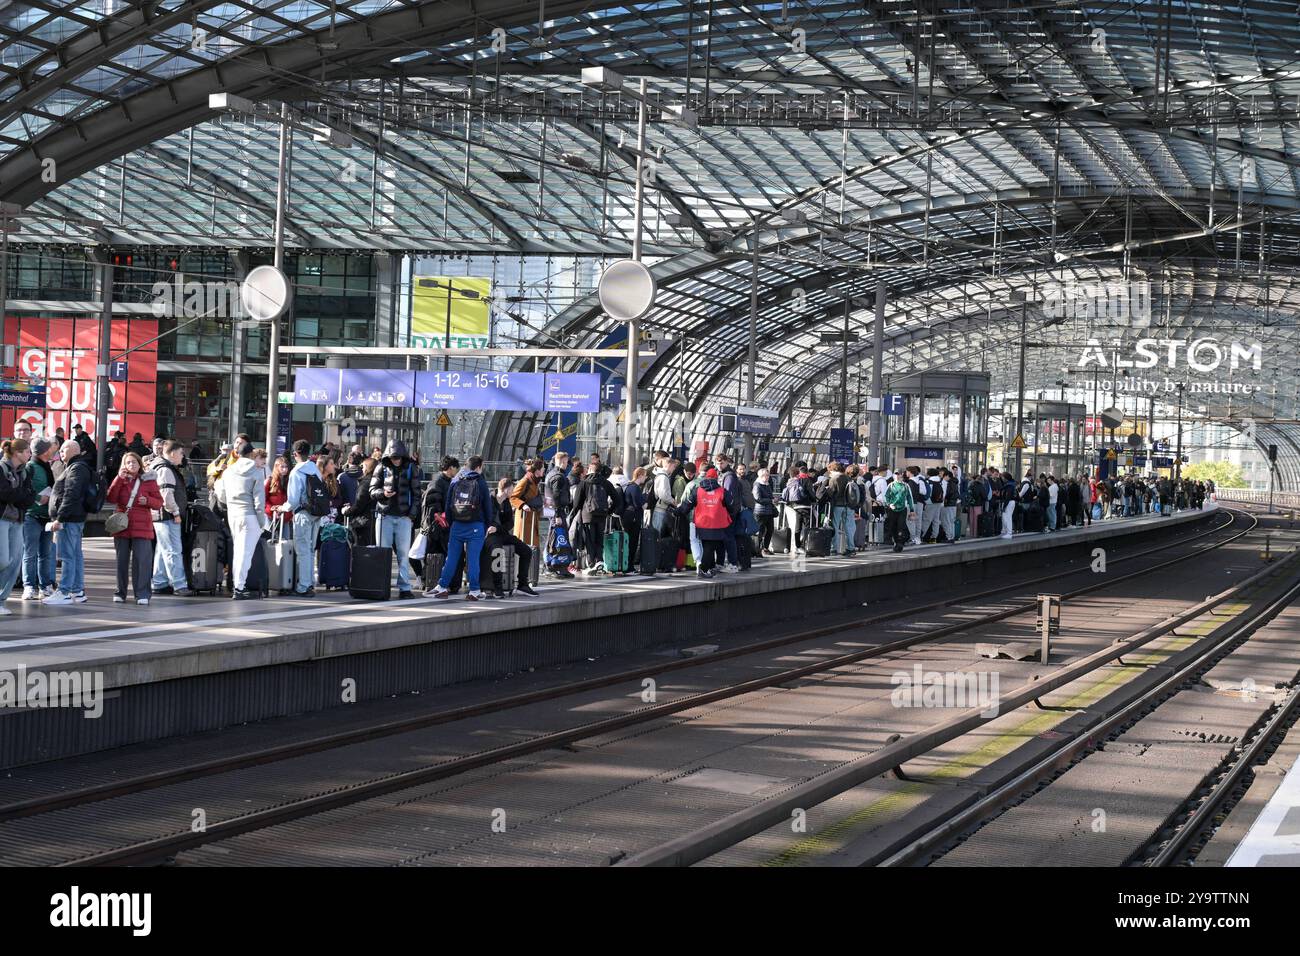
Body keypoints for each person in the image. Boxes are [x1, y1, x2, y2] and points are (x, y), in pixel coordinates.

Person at [431, 456, 495, 601]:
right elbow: (487, 507)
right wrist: (486, 525)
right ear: (479, 467)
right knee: (473, 559)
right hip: (476, 526)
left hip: (457, 525)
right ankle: (474, 590)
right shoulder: (480, 482)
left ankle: (442, 587)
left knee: (452, 558)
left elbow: (448, 504)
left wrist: (452, 523)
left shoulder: (456, 480)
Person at [105, 452, 163, 605]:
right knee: (121, 561)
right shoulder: (120, 480)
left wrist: (147, 500)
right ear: (123, 465)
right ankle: (120, 592)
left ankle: (142, 594)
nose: (131, 465)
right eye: (128, 462)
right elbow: (111, 498)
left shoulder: (148, 481)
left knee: (142, 562)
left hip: (142, 526)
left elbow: (158, 502)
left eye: (134, 462)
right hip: (122, 526)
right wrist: (118, 479)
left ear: (140, 464)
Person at [43, 439, 93, 605]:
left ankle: (64, 591)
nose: (61, 453)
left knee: (67, 556)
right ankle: (77, 591)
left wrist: (60, 518)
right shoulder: (79, 467)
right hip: (75, 518)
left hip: (69, 519)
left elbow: (71, 494)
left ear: (73, 450)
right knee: (75, 554)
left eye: (63, 450)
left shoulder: (76, 468)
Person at [216, 441, 268, 600]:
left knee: (238, 551)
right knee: (246, 554)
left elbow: (221, 495)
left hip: (233, 515)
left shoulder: (228, 471)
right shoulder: (257, 471)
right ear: (252, 454)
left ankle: (237, 585)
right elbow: (259, 501)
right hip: (250, 515)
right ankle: (239, 587)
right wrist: (262, 522)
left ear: (237, 454)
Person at [371, 439, 420, 599]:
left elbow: (417, 493)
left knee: (403, 554)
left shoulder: (411, 468)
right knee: (383, 553)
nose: (396, 460)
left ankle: (404, 587)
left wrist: (411, 516)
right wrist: (382, 494)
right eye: (393, 457)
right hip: (385, 515)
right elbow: (372, 490)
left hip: (402, 517)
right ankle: (382, 585)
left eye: (398, 457)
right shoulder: (381, 467)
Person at [150, 439, 194, 596]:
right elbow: (166, 496)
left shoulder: (158, 466)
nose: (183, 456)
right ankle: (179, 584)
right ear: (173, 453)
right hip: (167, 515)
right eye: (181, 453)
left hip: (160, 515)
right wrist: (176, 512)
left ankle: (159, 582)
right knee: (173, 550)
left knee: (163, 550)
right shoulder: (166, 470)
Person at [675, 466, 735, 579]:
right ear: (716, 478)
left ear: (706, 477)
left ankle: (709, 567)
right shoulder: (722, 491)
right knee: (711, 546)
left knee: (707, 545)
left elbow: (686, 505)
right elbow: (731, 506)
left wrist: (677, 512)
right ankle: (703, 569)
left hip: (702, 523)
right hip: (718, 524)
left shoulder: (698, 490)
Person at [284, 439, 326, 597]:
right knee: (310, 550)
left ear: (295, 454)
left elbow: (293, 500)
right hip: (316, 514)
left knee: (302, 551)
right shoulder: (314, 468)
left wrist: (284, 508)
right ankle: (309, 584)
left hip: (302, 514)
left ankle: (303, 586)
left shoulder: (296, 472)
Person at [483, 477, 538, 598]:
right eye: (512, 490)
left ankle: (522, 585)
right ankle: (497, 588)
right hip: (490, 536)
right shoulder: (489, 500)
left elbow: (510, 523)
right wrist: (492, 528)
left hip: (502, 533)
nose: (513, 492)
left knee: (526, 551)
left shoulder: (507, 502)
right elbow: (485, 519)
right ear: (506, 489)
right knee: (498, 552)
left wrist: (498, 528)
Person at [0, 439, 36, 613]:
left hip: (17, 520)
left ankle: (0, 601)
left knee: (14, 562)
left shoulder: (24, 472)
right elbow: (5, 494)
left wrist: (20, 495)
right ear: (17, 453)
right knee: (2, 560)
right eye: (28, 451)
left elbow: (30, 497)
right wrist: (22, 495)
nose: (30, 455)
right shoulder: (1, 468)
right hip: (2, 518)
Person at [20, 437, 57, 600]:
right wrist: (37, 497)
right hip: (32, 515)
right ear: (45, 450)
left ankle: (45, 586)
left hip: (46, 516)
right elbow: (23, 488)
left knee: (46, 553)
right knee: (30, 553)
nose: (53, 449)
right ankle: (29, 586)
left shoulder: (47, 466)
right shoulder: (30, 467)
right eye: (51, 448)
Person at [509, 457, 545, 551]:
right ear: (537, 470)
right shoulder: (525, 481)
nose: (544, 470)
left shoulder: (534, 480)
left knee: (532, 546)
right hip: (524, 518)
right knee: (524, 546)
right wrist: (523, 505)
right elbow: (513, 497)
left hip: (532, 518)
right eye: (542, 468)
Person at [884, 471, 914, 553]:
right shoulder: (891, 485)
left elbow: (909, 498)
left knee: (901, 526)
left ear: (902, 475)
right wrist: (889, 504)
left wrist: (912, 510)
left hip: (902, 509)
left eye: (899, 474)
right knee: (893, 526)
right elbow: (886, 496)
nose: (898, 476)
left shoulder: (906, 486)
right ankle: (896, 542)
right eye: (896, 474)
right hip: (892, 509)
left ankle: (900, 543)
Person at [754, 467, 776, 555]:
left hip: (768, 511)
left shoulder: (767, 484)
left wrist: (773, 499)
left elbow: (769, 495)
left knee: (770, 530)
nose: (767, 477)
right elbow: (757, 498)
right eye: (765, 475)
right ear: (761, 476)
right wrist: (770, 500)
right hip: (760, 511)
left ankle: (765, 548)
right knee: (760, 531)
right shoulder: (757, 485)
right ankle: (758, 549)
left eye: (768, 475)